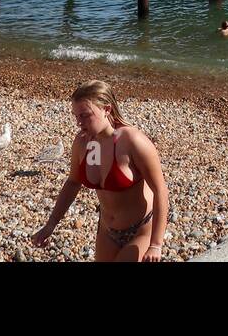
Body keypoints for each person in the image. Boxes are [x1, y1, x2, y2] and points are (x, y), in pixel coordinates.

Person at [33, 80, 169, 262]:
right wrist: (51, 224)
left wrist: (156, 245)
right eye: (76, 116)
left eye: (85, 115)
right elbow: (73, 183)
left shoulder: (132, 142)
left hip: (140, 229)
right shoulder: (84, 143)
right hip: (107, 231)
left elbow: (160, 190)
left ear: (107, 109)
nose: (79, 123)